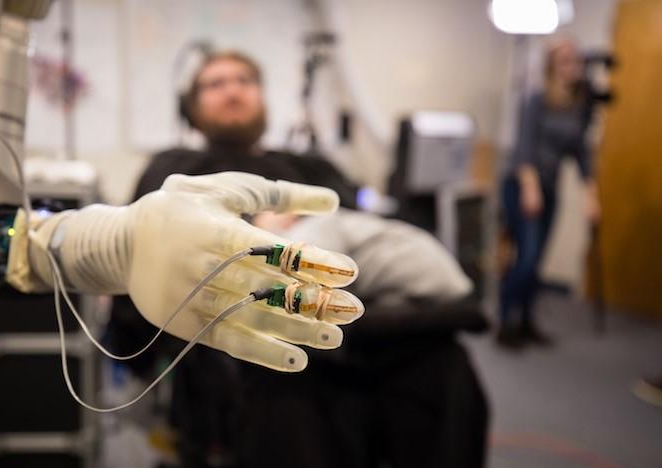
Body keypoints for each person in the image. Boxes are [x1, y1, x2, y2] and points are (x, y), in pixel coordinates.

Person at [108, 49, 488, 468]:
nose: (232, 90)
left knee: (445, 366)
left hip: (359, 318)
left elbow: (360, 231)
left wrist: (306, 220)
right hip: (248, 337)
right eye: (215, 84)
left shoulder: (308, 166)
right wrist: (258, 227)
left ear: (263, 98)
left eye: (244, 81)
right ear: (192, 108)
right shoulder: (176, 174)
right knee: (287, 377)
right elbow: (145, 267)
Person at [498, 38, 600, 348]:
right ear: (552, 66)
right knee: (525, 258)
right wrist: (531, 189)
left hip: (550, 186)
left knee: (538, 258)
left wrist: (592, 195)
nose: (573, 67)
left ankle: (527, 321)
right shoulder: (535, 99)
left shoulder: (579, 105)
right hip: (522, 185)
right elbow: (524, 148)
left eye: (576, 61)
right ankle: (505, 322)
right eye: (565, 61)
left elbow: (582, 153)